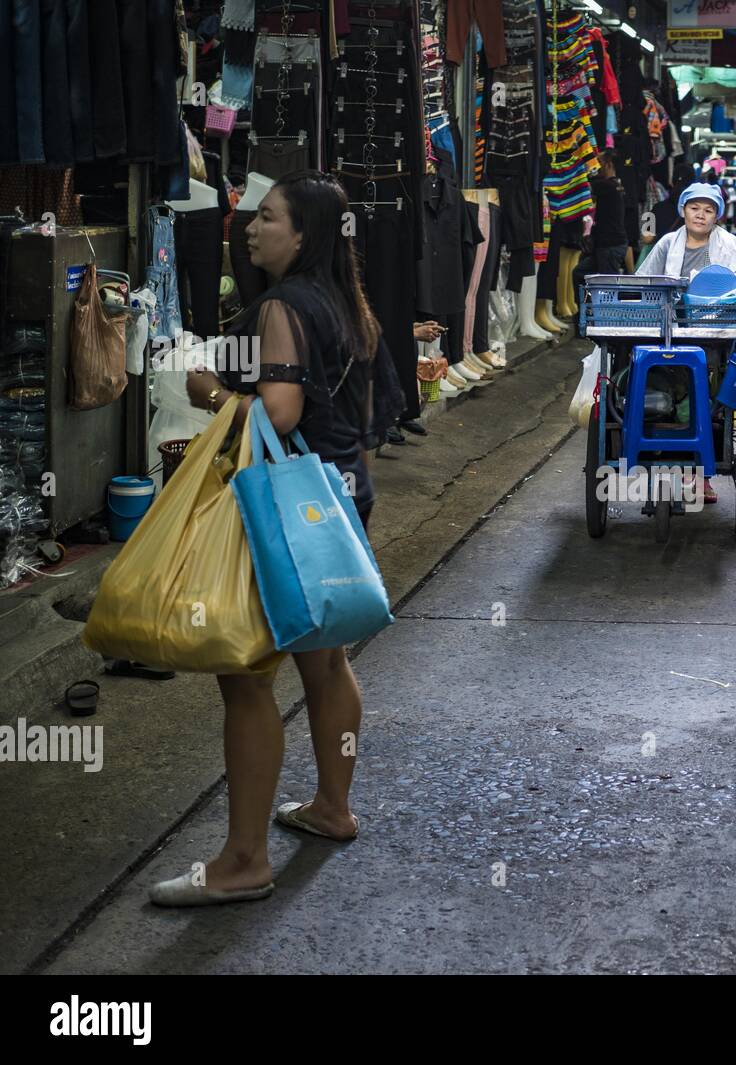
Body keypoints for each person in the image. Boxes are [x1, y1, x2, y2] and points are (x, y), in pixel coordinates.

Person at [162, 171, 403, 907]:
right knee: (325, 665)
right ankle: (332, 806)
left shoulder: (280, 305)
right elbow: (378, 405)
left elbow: (281, 410)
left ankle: (243, 859)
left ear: (303, 237)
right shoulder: (343, 302)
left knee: (246, 676)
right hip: (339, 495)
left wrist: (205, 391)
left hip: (291, 503)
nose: (250, 228)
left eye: (267, 219)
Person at [637, 182, 736, 504]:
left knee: (708, 397)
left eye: (708, 210)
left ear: (717, 215)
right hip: (667, 332)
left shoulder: (729, 244)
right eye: (694, 208)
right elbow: (643, 281)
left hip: (714, 335)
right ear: (683, 211)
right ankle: (657, 460)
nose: (700, 215)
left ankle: (700, 475)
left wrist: (735, 293)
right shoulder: (666, 243)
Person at [575, 154, 631, 288]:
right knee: (580, 273)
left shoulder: (606, 185)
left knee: (608, 286)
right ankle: (588, 307)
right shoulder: (617, 185)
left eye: (599, 162)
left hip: (610, 245)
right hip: (611, 244)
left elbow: (584, 185)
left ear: (608, 164)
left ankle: (611, 309)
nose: (596, 166)